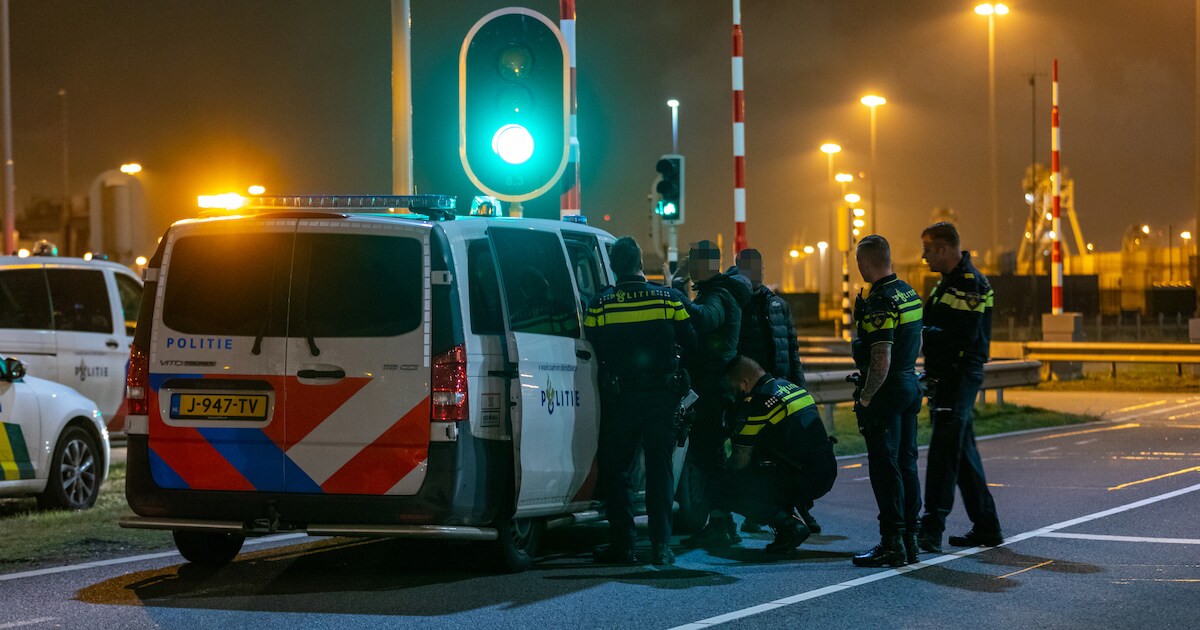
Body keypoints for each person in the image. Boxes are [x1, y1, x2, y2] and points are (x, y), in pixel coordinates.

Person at [585, 236, 697, 566]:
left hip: (621, 400)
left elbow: (592, 346)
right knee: (659, 471)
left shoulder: (601, 304)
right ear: (639, 264)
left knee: (617, 471)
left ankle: (623, 546)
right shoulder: (668, 299)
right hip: (661, 398)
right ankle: (662, 546)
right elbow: (691, 340)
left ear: (614, 267)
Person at [916, 222, 1003, 554]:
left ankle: (931, 528)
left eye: (927, 249)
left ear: (943, 249)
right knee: (963, 454)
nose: (923, 256)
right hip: (948, 376)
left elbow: (959, 336)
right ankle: (987, 526)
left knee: (943, 453)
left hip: (958, 376)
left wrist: (924, 335)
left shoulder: (969, 284)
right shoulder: (947, 284)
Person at [730, 248, 820, 535]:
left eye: (760, 269)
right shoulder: (736, 304)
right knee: (754, 454)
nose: (756, 275)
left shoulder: (777, 305)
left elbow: (792, 351)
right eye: (749, 270)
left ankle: (795, 510)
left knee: (785, 455)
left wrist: (799, 386)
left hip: (779, 392)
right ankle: (759, 512)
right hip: (750, 395)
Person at [850, 235, 924, 568]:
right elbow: (916, 339)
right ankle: (911, 538)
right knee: (907, 462)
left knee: (885, 467)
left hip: (887, 392)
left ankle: (892, 543)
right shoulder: (908, 293)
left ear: (865, 262)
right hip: (909, 384)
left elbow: (881, 356)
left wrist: (866, 397)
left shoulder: (881, 301)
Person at [720, 355, 836, 554]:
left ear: (744, 382)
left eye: (733, 387)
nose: (734, 393)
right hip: (825, 469)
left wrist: (721, 473)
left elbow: (740, 460)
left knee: (726, 486)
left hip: (801, 475)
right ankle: (792, 515)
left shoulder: (757, 401)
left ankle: (788, 525)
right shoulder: (791, 388)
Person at [678, 240, 752, 549]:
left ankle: (722, 523)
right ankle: (720, 521)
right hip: (714, 386)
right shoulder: (720, 291)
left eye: (693, 263)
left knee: (711, 458)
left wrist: (677, 290)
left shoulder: (719, 295)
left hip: (713, 387)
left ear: (704, 265)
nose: (690, 268)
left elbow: (704, 319)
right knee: (710, 457)